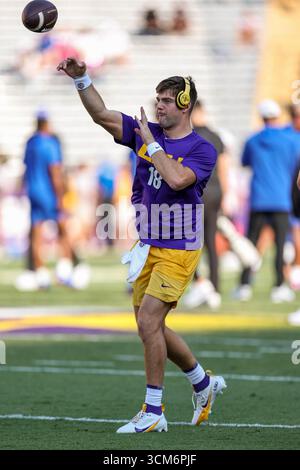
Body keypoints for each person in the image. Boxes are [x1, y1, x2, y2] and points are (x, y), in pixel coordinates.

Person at [57, 57, 226, 433]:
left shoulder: (202, 148)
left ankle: (153, 411)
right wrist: (82, 78)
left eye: (167, 99)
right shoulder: (145, 132)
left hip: (180, 246)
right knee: (149, 325)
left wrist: (150, 142)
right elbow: (101, 114)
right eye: (157, 99)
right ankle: (202, 383)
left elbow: (178, 178)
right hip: (148, 242)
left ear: (185, 104)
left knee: (150, 321)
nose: (158, 105)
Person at [235, 99, 299, 303]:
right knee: (280, 245)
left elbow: (245, 162)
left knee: (251, 245)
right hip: (282, 199)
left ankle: (244, 284)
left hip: (259, 199)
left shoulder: (253, 140)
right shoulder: (291, 140)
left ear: (262, 117)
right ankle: (279, 286)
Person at [16, 111, 74, 290]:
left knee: (35, 233)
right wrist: (60, 196)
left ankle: (41, 275)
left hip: (33, 190)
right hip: (48, 192)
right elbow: (55, 172)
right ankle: (65, 271)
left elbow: (25, 169)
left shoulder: (30, 142)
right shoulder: (50, 143)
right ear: (47, 123)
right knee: (62, 228)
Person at [183, 100, 229, 309]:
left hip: (196, 193)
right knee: (210, 241)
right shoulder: (216, 136)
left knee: (190, 242)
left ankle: (200, 283)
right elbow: (224, 168)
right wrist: (226, 195)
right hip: (216, 192)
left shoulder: (188, 136)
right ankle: (215, 289)